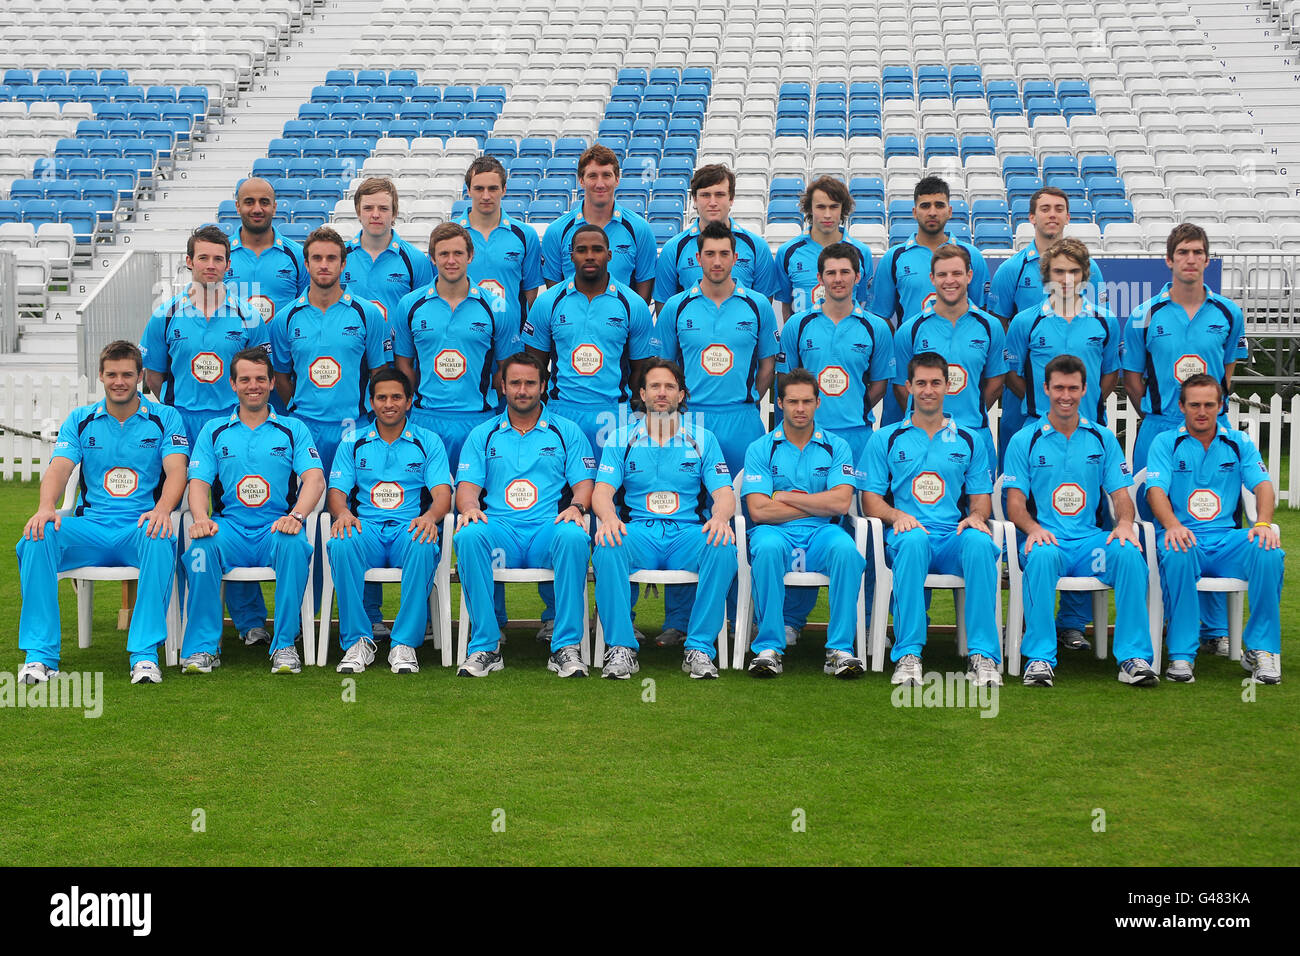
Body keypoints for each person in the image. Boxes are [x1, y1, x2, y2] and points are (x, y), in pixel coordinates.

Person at [16, 341, 188, 686]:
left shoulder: (165, 417)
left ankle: (143, 656)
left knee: (160, 536)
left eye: (127, 374)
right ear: (101, 376)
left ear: (141, 376)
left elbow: (177, 470)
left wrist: (162, 510)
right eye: (112, 374)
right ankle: (40, 656)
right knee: (36, 537)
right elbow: (59, 468)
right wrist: (46, 508)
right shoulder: (81, 419)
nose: (119, 381)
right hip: (91, 528)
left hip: (138, 527)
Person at [523, 223, 657, 643]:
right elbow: (534, 365)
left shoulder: (632, 304)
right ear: (570, 256)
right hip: (563, 418)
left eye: (596, 249)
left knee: (619, 511)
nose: (589, 256)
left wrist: (632, 418)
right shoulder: (549, 303)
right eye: (580, 250)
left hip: (614, 420)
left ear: (609, 254)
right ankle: (555, 612)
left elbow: (640, 372)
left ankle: (619, 611)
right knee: (562, 509)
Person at [142, 224, 274, 647]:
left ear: (229, 264)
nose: (211, 266)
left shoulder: (248, 315)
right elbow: (154, 376)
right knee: (175, 521)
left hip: (233, 428)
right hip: (182, 428)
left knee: (235, 519)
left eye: (219, 259)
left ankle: (250, 619)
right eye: (204, 257)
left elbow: (260, 373)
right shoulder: (165, 313)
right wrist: (177, 410)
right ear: (189, 261)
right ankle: (175, 615)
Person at [1122, 222, 1247, 654]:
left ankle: (1213, 629)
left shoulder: (1229, 312)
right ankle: (1161, 616)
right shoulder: (1144, 314)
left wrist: (1207, 410)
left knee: (1215, 521)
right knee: (1156, 524)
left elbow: (1226, 373)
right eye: (1183, 252)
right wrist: (1159, 414)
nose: (1190, 259)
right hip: (1159, 426)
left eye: (1198, 252)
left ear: (1207, 261)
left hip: (1213, 428)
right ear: (1168, 260)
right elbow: (1133, 379)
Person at [654, 220, 780, 643]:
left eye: (725, 253)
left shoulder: (758, 304)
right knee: (684, 514)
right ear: (697, 259)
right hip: (688, 422)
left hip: (741, 420)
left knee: (742, 514)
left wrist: (748, 398)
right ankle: (678, 619)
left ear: (736, 257)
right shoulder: (676, 306)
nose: (717, 261)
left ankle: (741, 614)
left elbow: (767, 364)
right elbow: (667, 369)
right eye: (709, 254)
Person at [1003, 355, 1158, 688]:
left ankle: (1133, 657)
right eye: (1058, 387)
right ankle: (1040, 658)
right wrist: (1033, 529)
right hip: (1049, 540)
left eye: (1073, 388)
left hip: (1089, 544)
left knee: (1130, 553)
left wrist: (1125, 524)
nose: (1066, 395)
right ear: (1045, 389)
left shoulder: (1102, 437)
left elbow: (1121, 497)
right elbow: (1014, 504)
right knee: (1042, 556)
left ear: (1085, 389)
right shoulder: (1024, 440)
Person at [1004, 237, 1120, 653]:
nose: (1066, 279)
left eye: (1074, 272)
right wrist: (1039, 404)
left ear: (1085, 276)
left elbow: (1109, 375)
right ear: (1045, 277)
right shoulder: (1025, 322)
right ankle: (1032, 626)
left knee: (1086, 525)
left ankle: (1072, 623)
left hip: (1086, 433)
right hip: (1041, 433)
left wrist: (1085, 406)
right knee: (1040, 530)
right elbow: (1013, 374)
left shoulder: (1105, 320)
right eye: (1058, 272)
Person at [858, 351, 1002, 688]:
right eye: (920, 383)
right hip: (907, 534)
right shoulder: (885, 438)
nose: (928, 390)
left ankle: (982, 655)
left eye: (935, 382)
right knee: (913, 540)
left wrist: (977, 517)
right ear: (908, 387)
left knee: (981, 543)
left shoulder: (970, 439)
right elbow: (869, 501)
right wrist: (897, 515)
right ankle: (909, 654)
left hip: (952, 535)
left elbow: (981, 498)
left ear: (948, 386)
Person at [776, 241, 894, 646]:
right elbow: (789, 382)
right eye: (831, 273)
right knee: (800, 524)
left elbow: (878, 383)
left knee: (865, 530)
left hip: (857, 439)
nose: (839, 279)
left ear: (858, 277)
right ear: (820, 279)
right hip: (804, 441)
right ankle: (791, 620)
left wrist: (852, 412)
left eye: (846, 272)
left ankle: (866, 618)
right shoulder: (799, 325)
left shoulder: (876, 327)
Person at [592, 359, 738, 679]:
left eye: (669, 387)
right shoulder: (620, 437)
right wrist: (607, 518)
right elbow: (602, 492)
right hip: (639, 533)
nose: (662, 393)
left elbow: (725, 494)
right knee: (607, 545)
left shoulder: (703, 438)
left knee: (723, 546)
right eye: (654, 386)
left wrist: (720, 518)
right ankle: (621, 647)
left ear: (681, 395)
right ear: (641, 394)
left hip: (685, 534)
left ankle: (699, 647)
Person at [181, 348, 323, 675]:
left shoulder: (293, 429)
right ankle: (203, 648)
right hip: (229, 529)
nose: (253, 385)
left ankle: (285, 645)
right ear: (232, 384)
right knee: (201, 550)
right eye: (245, 379)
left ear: (273, 382)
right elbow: (199, 482)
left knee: (294, 545)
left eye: (261, 379)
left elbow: (314, 479)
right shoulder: (213, 430)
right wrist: (202, 519)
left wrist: (296, 516)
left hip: (276, 528)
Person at [453, 352, 595, 678]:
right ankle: (486, 646)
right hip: (500, 530)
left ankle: (565, 646)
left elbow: (584, 486)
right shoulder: (482, 434)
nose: (522, 390)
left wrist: (577, 507)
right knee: (469, 534)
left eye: (530, 383)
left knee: (575, 535)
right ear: (502, 386)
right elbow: (467, 490)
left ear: (543, 385)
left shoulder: (567, 431)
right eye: (515, 382)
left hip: (549, 528)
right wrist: (470, 508)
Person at [1145, 374, 1284, 684]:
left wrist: (1262, 523)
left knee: (1269, 551)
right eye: (1194, 405)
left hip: (1225, 540)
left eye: (1209, 404)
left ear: (1221, 406)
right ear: (1181, 406)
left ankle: (1261, 652)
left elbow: (1262, 486)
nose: (1202, 412)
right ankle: (1181, 655)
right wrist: (1173, 526)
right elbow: (1155, 490)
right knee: (1178, 551)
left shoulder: (1239, 442)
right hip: (1183, 536)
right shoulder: (1165, 442)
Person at [326, 367, 452, 675]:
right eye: (381, 397)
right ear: (371, 402)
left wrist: (430, 517)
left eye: (397, 397)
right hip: (365, 528)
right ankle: (358, 641)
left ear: (409, 401)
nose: (389, 403)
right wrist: (343, 513)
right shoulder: (352, 442)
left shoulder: (429, 441)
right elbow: (336, 493)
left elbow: (442, 494)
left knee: (424, 542)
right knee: (341, 543)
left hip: (408, 528)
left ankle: (404, 643)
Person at [741, 370, 866, 678]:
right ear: (779, 403)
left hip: (823, 533)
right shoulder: (760, 448)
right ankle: (768, 648)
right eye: (793, 401)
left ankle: (839, 649)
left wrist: (784, 498)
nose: (800, 408)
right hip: (775, 533)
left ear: (818, 403)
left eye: (807, 401)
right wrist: (814, 504)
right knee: (767, 548)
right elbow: (758, 511)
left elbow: (840, 504)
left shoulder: (837, 447)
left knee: (847, 551)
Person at [988, 186, 1107, 467]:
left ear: (1068, 217)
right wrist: (1035, 397)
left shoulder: (1093, 270)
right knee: (1018, 482)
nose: (1052, 215)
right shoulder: (1010, 270)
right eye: (1045, 209)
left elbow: (1102, 339)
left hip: (1079, 405)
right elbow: (1002, 336)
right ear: (1031, 217)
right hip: (1025, 404)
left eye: (1059, 209)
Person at [392, 222, 518, 472]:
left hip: (478, 420)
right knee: (426, 504)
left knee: (476, 504)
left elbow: (507, 368)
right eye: (444, 254)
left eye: (458, 253)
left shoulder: (497, 306)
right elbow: (403, 364)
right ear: (432, 258)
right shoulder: (410, 304)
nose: (451, 260)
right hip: (425, 418)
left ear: (470, 256)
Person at [271, 226, 392, 473]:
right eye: (316, 258)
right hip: (305, 426)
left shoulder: (368, 314)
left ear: (343, 263)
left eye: (331, 258)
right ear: (306, 264)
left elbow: (379, 372)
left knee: (348, 505)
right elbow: (280, 376)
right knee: (307, 504)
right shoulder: (285, 318)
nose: (324, 265)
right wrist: (297, 406)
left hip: (354, 424)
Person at [871, 176, 990, 425]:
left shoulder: (972, 257)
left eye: (939, 205)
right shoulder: (894, 258)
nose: (932, 212)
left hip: (962, 374)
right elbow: (881, 319)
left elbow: (980, 313)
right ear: (915, 212)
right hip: (909, 370)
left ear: (950, 210)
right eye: (925, 206)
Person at [892, 244, 1005, 476]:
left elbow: (996, 381)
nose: (949, 281)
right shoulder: (910, 329)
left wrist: (972, 412)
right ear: (932, 278)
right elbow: (901, 386)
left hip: (975, 432)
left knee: (978, 507)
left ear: (969, 276)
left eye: (956, 273)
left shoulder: (990, 326)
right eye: (942, 274)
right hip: (923, 437)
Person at [540, 144, 657, 303]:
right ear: (581, 180)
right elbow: (553, 294)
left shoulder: (639, 230)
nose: (600, 184)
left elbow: (643, 294)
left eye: (606, 175)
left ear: (617, 179)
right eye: (592, 176)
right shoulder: (557, 231)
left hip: (621, 325)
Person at [653, 163, 778, 310]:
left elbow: (763, 308)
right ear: (694, 199)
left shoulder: (757, 247)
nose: (712, 202)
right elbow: (664, 309)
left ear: (731, 199)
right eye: (705, 195)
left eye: (719, 195)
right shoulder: (673, 249)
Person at [457, 154, 544, 334]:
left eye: (493, 188)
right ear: (468, 190)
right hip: (463, 338)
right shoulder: (451, 234)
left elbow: (529, 296)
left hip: (511, 339)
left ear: (504, 189)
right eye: (479, 188)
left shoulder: (525, 235)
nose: (486, 196)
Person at [773, 176, 874, 321]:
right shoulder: (787, 252)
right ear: (810, 209)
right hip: (803, 340)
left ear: (842, 209)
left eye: (833, 207)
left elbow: (861, 300)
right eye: (821, 207)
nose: (827, 215)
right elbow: (786, 305)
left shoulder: (861, 253)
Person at [341, 177, 434, 323]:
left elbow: (425, 316)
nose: (376, 214)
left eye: (383, 208)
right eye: (368, 208)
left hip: (398, 346)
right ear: (358, 212)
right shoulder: (339, 256)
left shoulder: (416, 260)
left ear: (395, 213)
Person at [224, 177, 307, 328]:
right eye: (249, 202)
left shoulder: (297, 255)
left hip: (280, 350)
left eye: (264, 202)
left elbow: (307, 309)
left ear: (274, 207)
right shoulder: (220, 254)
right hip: (234, 350)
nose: (257, 209)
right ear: (238, 206)